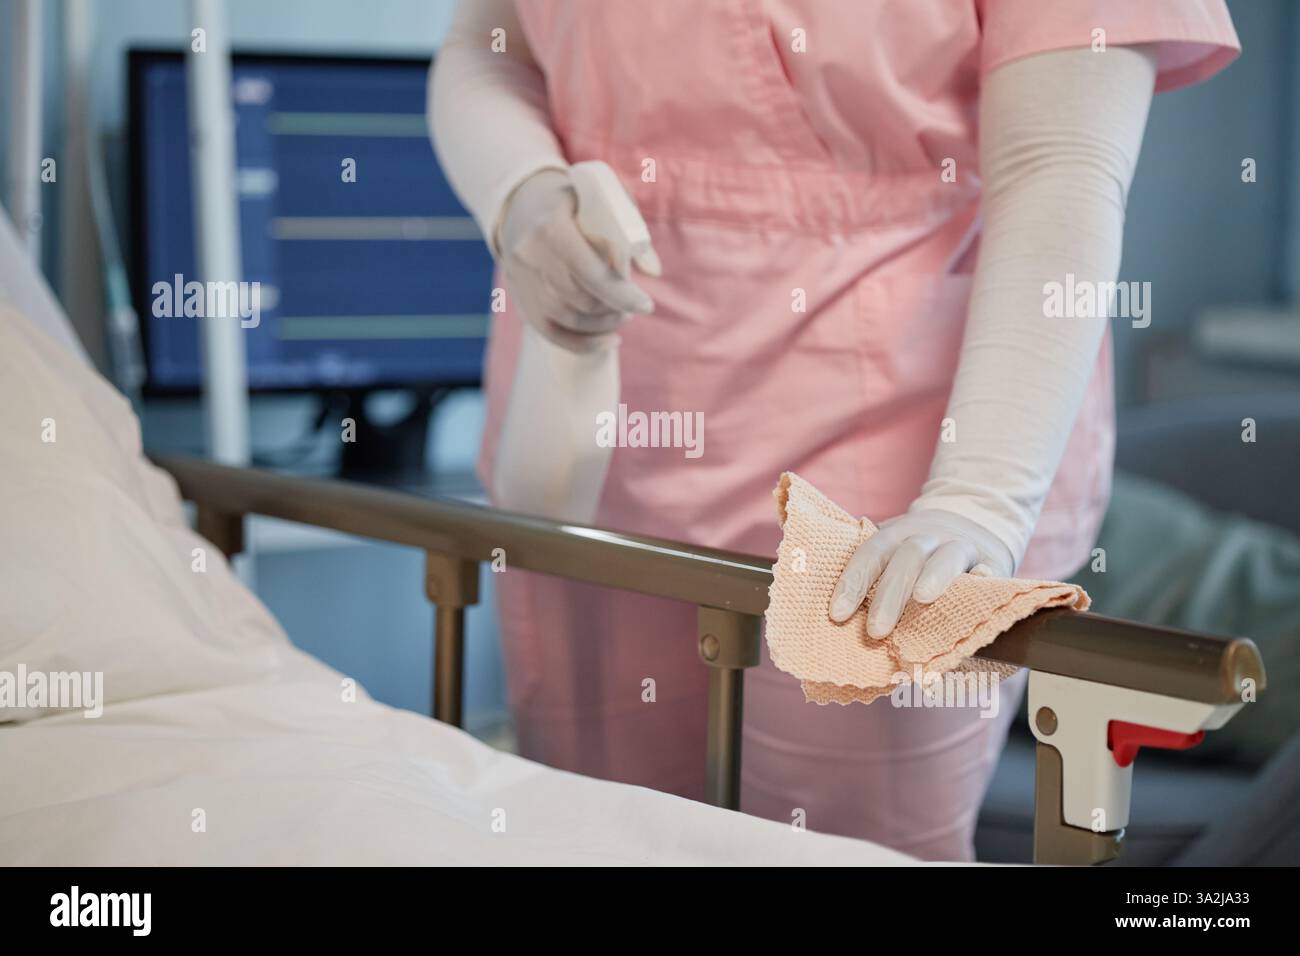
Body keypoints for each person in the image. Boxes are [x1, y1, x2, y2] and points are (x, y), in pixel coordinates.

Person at [431, 0, 1239, 860]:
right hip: (592, 448)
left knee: (844, 848)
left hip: (898, 475)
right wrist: (519, 191)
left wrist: (976, 502)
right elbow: (490, 49)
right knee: (594, 840)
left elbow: (1061, 165)